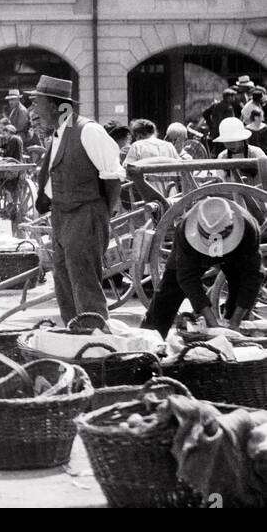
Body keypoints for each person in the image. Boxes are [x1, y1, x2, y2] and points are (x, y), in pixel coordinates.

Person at [29, 75, 124, 324]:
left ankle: (96, 342)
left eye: (37, 103)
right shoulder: (59, 133)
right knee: (64, 285)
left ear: (55, 106)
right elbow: (54, 174)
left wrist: (101, 215)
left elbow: (113, 177)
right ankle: (74, 337)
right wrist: (46, 200)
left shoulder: (88, 131)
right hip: (62, 218)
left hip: (85, 215)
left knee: (85, 287)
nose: (34, 110)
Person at [141, 197, 264, 337]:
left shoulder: (248, 228)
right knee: (171, 287)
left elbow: (253, 277)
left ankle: (234, 338)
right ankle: (148, 343)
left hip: (237, 252)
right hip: (195, 248)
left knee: (241, 286)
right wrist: (212, 322)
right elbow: (187, 278)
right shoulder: (186, 229)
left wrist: (235, 322)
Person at [213, 116, 266, 185]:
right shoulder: (222, 157)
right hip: (230, 194)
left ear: (242, 139)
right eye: (226, 141)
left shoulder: (256, 153)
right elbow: (221, 180)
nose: (230, 144)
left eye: (233, 140)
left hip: (256, 194)